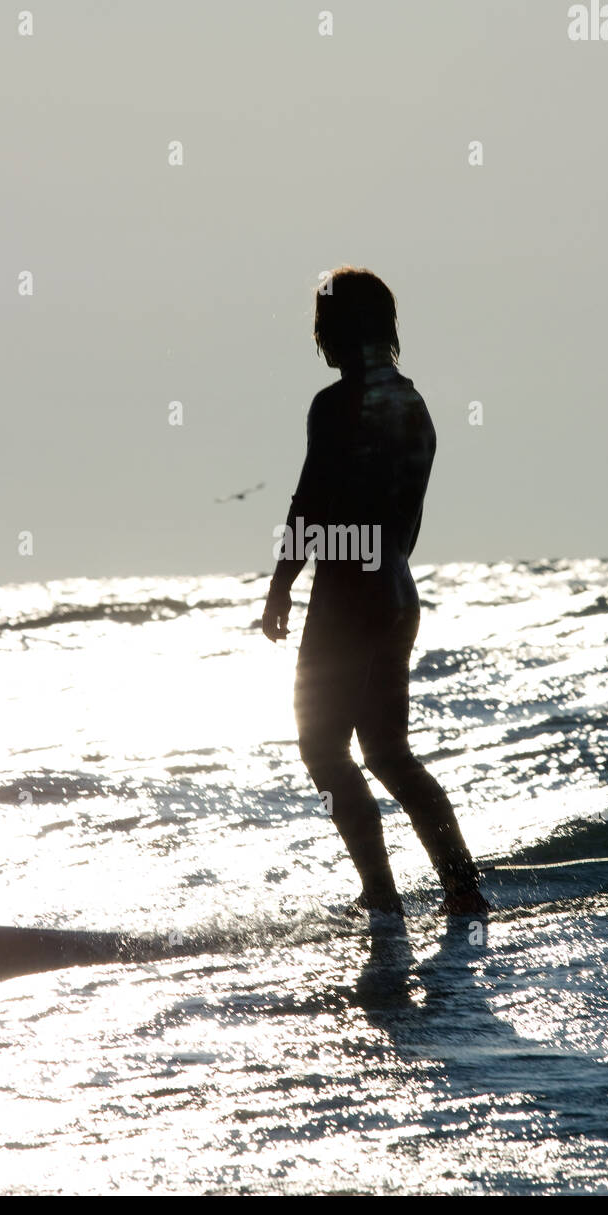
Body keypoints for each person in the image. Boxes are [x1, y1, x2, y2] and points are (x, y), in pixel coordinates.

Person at [262, 267, 489, 918]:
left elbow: (308, 503)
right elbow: (407, 515)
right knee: (388, 752)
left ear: (332, 331)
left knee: (323, 749)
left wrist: (281, 587)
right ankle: (462, 887)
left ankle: (383, 896)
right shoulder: (416, 406)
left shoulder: (335, 406)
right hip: (397, 590)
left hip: (347, 595)